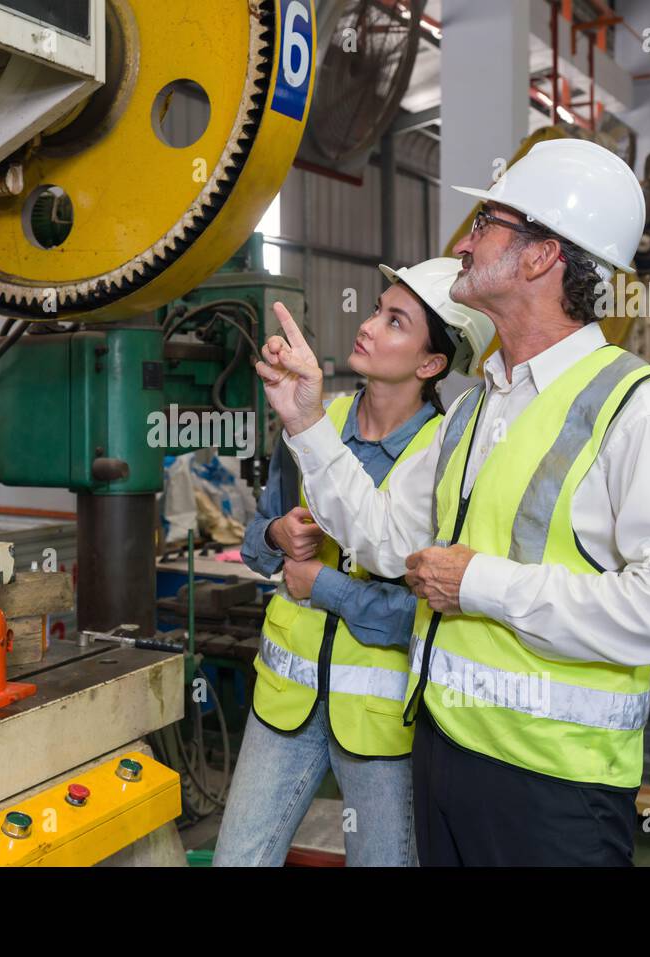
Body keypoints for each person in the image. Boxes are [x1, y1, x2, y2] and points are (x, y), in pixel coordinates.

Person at [255, 139, 650, 866]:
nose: (466, 241)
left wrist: (482, 583)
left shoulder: (635, 409)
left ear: (541, 257)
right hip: (443, 758)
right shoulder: (476, 412)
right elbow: (383, 538)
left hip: (554, 788)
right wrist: (308, 424)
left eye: (486, 223)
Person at [213, 259, 493, 867]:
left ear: (430, 365)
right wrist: (278, 536)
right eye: (374, 309)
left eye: (395, 321)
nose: (367, 326)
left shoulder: (444, 460)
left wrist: (327, 587)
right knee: (237, 859)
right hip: (283, 703)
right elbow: (255, 547)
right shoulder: (315, 419)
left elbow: (423, 616)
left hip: (378, 722)